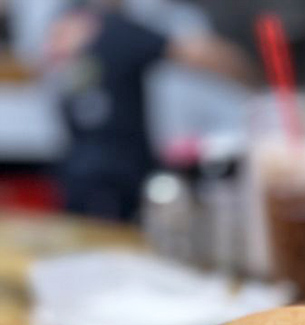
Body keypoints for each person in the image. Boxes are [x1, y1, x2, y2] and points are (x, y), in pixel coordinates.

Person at [45, 1, 256, 221]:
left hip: (75, 171)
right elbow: (198, 53)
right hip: (120, 174)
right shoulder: (118, 30)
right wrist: (257, 84)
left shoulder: (67, 24)